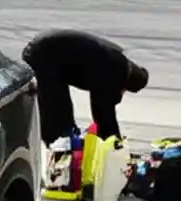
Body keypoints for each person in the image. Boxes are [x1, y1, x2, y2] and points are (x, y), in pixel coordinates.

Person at [21, 29, 149, 149]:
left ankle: (60, 141)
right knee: (57, 113)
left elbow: (103, 102)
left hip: (47, 52)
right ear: (126, 83)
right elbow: (103, 112)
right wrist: (115, 144)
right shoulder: (113, 70)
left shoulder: (116, 60)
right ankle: (53, 149)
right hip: (42, 55)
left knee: (63, 113)